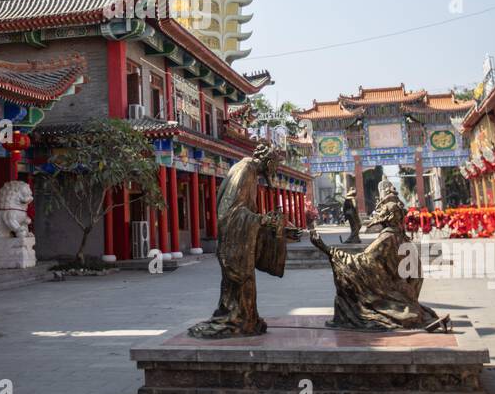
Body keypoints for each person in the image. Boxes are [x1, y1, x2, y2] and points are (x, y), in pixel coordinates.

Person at [309, 181, 450, 333]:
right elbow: (416, 275)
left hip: (391, 290)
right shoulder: (402, 237)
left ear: (385, 216)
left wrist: (327, 249)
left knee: (346, 287)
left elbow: (362, 262)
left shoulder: (387, 238)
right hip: (405, 291)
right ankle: (411, 309)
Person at [189, 145, 293, 339]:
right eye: (275, 167)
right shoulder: (244, 170)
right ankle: (239, 319)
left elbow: (244, 209)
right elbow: (230, 212)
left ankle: (247, 318)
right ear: (268, 162)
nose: (274, 172)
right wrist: (261, 220)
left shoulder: (250, 171)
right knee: (241, 283)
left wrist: (270, 225)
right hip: (234, 242)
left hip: (240, 239)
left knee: (243, 286)